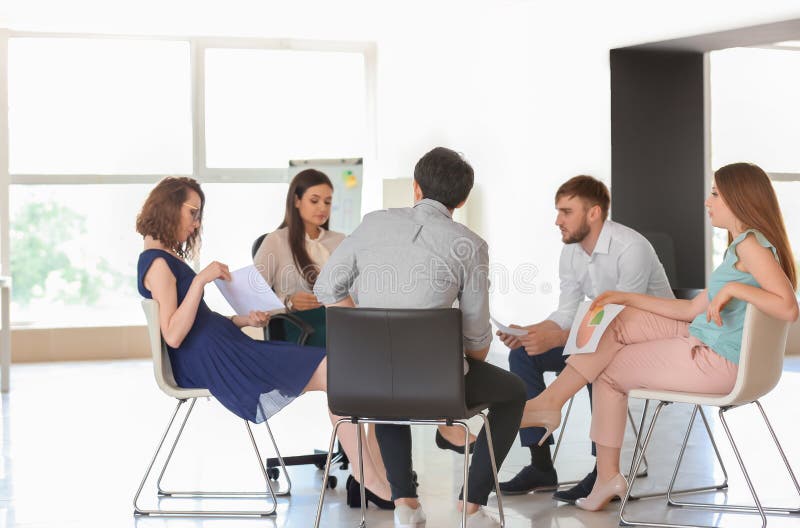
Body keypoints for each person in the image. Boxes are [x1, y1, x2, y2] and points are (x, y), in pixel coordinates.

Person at [521, 162, 798, 511]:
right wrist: (623, 297)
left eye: (714, 193)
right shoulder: (742, 247)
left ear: (738, 199)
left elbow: (789, 308)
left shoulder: (750, 246)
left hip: (716, 361)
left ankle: (598, 464)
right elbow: (688, 310)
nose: (707, 201)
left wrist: (733, 290)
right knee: (614, 321)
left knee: (608, 368)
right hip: (704, 339)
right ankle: (553, 406)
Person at [135, 176, 392, 507]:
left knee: (340, 372)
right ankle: (368, 477)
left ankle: (369, 475)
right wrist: (200, 280)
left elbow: (198, 321)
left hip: (228, 349)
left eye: (199, 213)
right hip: (219, 361)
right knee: (338, 372)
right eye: (192, 212)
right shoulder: (157, 263)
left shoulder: (165, 258)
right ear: (169, 207)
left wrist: (243, 320)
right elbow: (172, 333)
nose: (196, 222)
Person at [314, 147, 527, 528]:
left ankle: (406, 506)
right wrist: (462, 370)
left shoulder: (373, 224)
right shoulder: (470, 245)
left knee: (387, 391)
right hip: (437, 385)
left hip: (366, 384)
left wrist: (368, 332)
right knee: (512, 392)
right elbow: (478, 334)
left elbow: (327, 287)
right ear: (461, 200)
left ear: (416, 188)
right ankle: (471, 508)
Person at [496, 175, 674, 501]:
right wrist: (532, 332)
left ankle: (601, 473)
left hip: (648, 342)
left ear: (593, 213)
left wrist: (560, 337)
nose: (557, 221)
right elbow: (566, 312)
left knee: (598, 363)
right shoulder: (572, 253)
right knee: (523, 355)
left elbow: (625, 320)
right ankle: (540, 467)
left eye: (566, 212)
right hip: (602, 338)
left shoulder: (630, 248)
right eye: (558, 212)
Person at [253, 169, 345, 347]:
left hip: (337, 319)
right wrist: (289, 302)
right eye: (314, 200)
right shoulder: (276, 241)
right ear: (296, 200)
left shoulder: (340, 240)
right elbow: (254, 296)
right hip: (299, 325)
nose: (322, 208)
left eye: (328, 202)